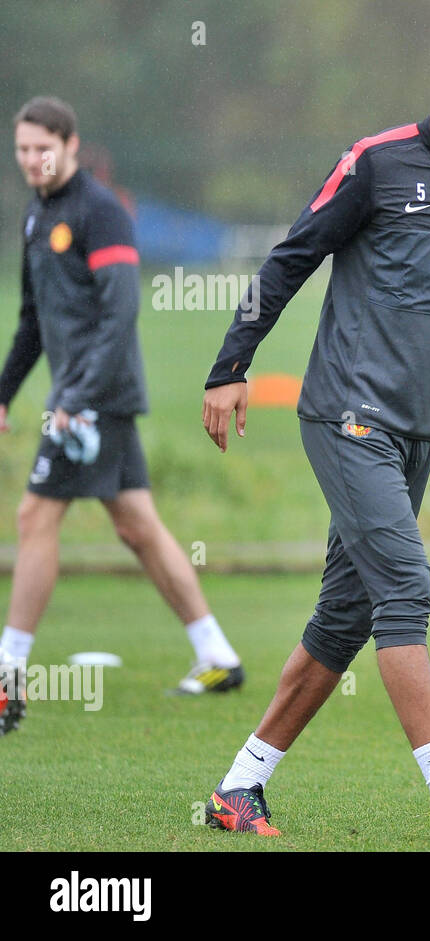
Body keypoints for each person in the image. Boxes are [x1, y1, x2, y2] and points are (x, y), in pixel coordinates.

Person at [199, 25, 430, 839]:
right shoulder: (377, 162)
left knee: (346, 613)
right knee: (407, 587)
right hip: (345, 412)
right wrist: (230, 366)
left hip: (417, 428)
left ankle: (239, 786)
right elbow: (289, 258)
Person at [0, 96, 243, 740]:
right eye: (22, 149)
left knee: (34, 515)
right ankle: (217, 653)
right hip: (81, 397)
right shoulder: (37, 215)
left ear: (71, 145)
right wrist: (4, 392)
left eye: (41, 148)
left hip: (95, 399)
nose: (31, 159)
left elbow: (119, 316)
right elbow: (32, 321)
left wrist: (74, 398)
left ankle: (6, 678)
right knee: (136, 523)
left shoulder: (100, 212)